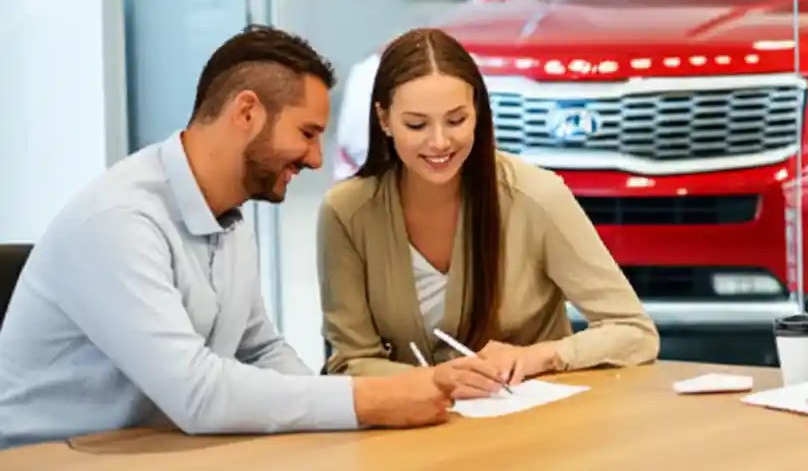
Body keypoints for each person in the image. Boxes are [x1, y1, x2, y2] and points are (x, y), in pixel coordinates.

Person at [0, 26, 504, 450]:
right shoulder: (119, 222)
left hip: (159, 450)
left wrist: (349, 424)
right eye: (307, 133)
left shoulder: (227, 216)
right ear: (247, 113)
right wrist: (367, 400)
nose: (313, 159)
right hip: (57, 458)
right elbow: (196, 394)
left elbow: (259, 349)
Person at [318, 28, 658, 384]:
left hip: (536, 428)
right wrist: (435, 383)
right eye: (416, 124)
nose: (439, 142)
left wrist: (539, 356)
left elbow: (634, 331)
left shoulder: (536, 196)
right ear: (384, 119)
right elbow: (350, 362)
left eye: (456, 120)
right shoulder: (346, 213)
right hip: (403, 433)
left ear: (477, 112)